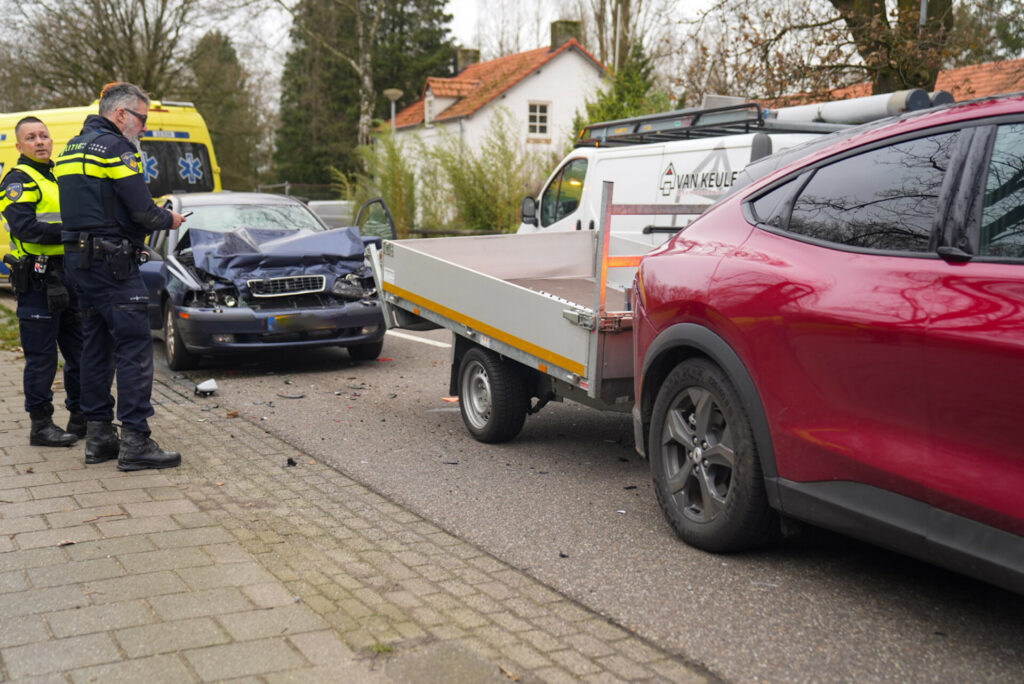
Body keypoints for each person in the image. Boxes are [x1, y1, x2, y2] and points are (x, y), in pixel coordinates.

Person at [55, 82, 187, 470]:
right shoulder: (117, 149)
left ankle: (99, 437)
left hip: (79, 265)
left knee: (95, 348)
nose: (143, 128)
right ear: (120, 114)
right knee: (134, 349)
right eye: (141, 119)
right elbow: (143, 212)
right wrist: (170, 218)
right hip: (113, 266)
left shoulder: (69, 149)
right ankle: (135, 441)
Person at [0, 117, 84, 447]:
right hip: (37, 280)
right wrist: (72, 235)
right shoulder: (17, 180)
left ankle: (80, 416)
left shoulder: (58, 177)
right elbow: (25, 228)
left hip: (69, 275)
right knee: (42, 357)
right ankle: (41, 425)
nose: (40, 141)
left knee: (81, 352)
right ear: (19, 146)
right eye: (31, 137)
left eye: (44, 135)